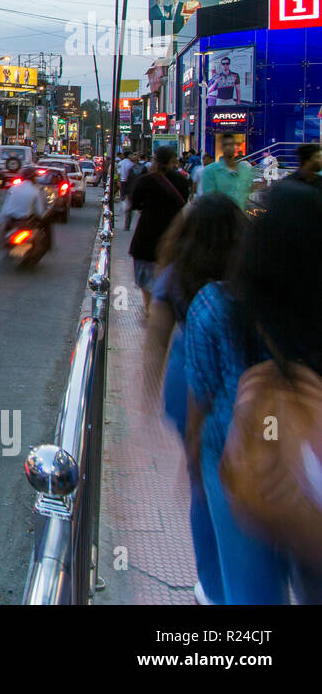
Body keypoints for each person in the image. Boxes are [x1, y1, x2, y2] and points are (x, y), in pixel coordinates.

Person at [184, 181, 322, 603]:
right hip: (310, 473)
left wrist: (195, 472)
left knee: (250, 594)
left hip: (239, 461)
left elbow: (199, 406)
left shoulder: (214, 306)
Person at [142, 194, 246, 605]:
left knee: (202, 481)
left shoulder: (176, 271)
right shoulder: (247, 274)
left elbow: (156, 336)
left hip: (187, 378)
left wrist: (148, 388)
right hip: (240, 382)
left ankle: (213, 584)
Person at [128, 145, 190, 314]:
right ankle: (164, 313)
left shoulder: (145, 181)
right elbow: (185, 201)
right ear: (173, 161)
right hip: (172, 238)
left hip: (146, 238)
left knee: (147, 283)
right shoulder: (183, 182)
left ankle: (151, 312)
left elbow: (134, 204)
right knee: (170, 282)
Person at [200, 133, 256, 210]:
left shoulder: (244, 170)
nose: (229, 148)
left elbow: (245, 192)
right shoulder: (210, 171)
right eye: (226, 145)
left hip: (240, 217)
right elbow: (208, 199)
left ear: (236, 147)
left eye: (231, 144)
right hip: (220, 218)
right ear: (222, 147)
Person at [0, 164, 49, 246]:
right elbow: (40, 212)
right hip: (22, 222)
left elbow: (5, 206)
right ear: (33, 178)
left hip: (9, 220)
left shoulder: (13, 188)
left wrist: (1, 222)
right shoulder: (35, 190)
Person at [122, 152, 145, 230]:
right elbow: (127, 180)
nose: (134, 156)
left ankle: (140, 227)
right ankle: (126, 226)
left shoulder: (143, 168)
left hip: (140, 191)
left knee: (140, 211)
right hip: (131, 191)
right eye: (133, 155)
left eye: (136, 155)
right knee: (129, 210)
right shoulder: (131, 168)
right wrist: (125, 192)